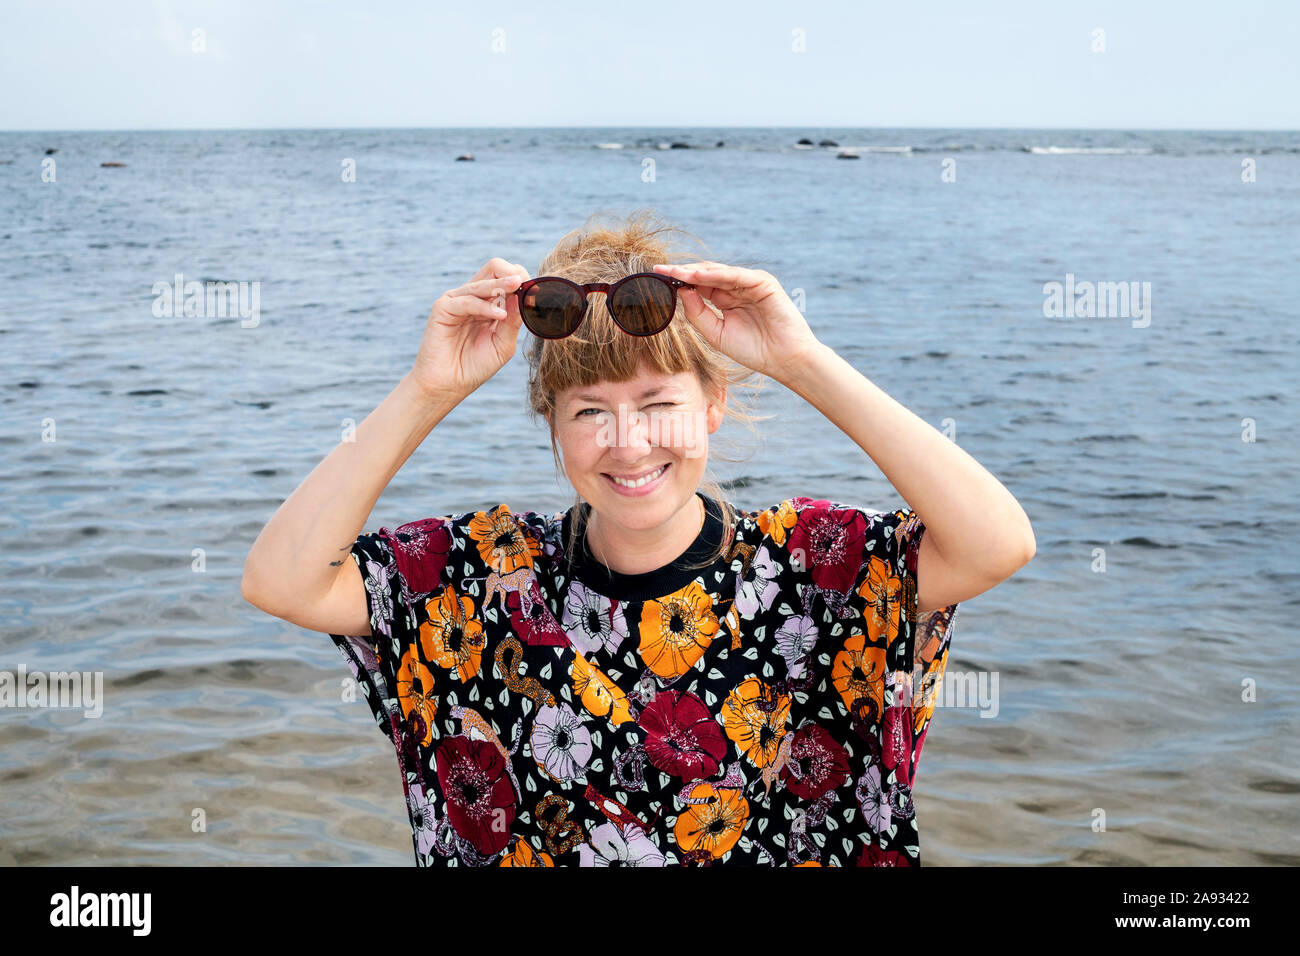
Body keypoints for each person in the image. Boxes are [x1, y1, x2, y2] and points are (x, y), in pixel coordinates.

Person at [241, 210, 1035, 867]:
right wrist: (427, 389)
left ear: (714, 403)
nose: (628, 442)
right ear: (550, 423)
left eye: (659, 402)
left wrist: (803, 360)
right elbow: (284, 580)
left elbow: (995, 543)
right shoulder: (482, 577)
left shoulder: (809, 568)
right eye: (589, 410)